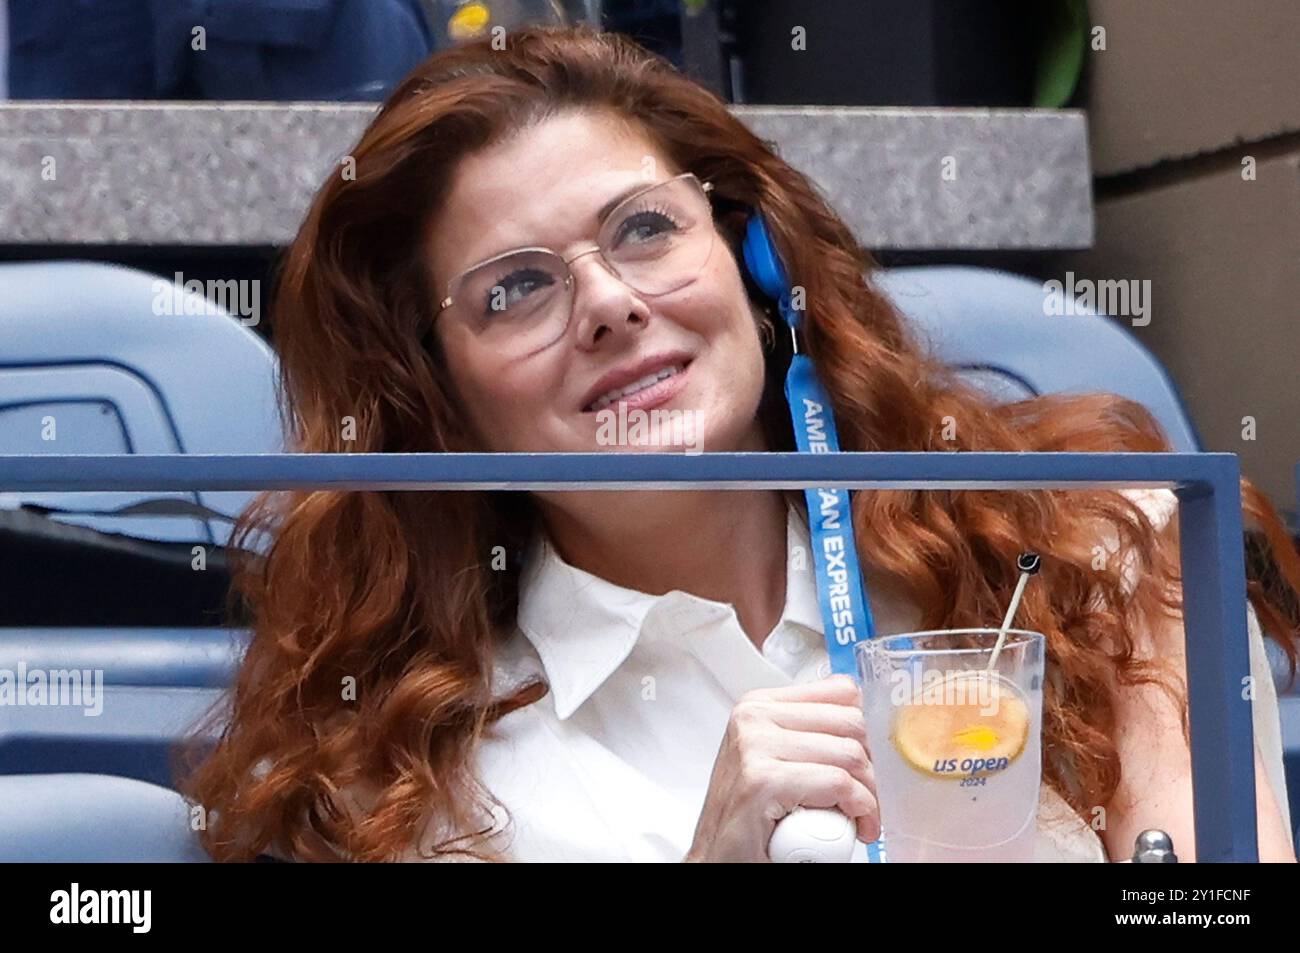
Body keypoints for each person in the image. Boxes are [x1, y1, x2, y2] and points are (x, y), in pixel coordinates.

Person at [181, 25, 1300, 862]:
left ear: (755, 270)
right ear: (436, 393)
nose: (610, 304)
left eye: (645, 228)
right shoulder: (388, 783)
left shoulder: (1096, 558)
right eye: (516, 289)